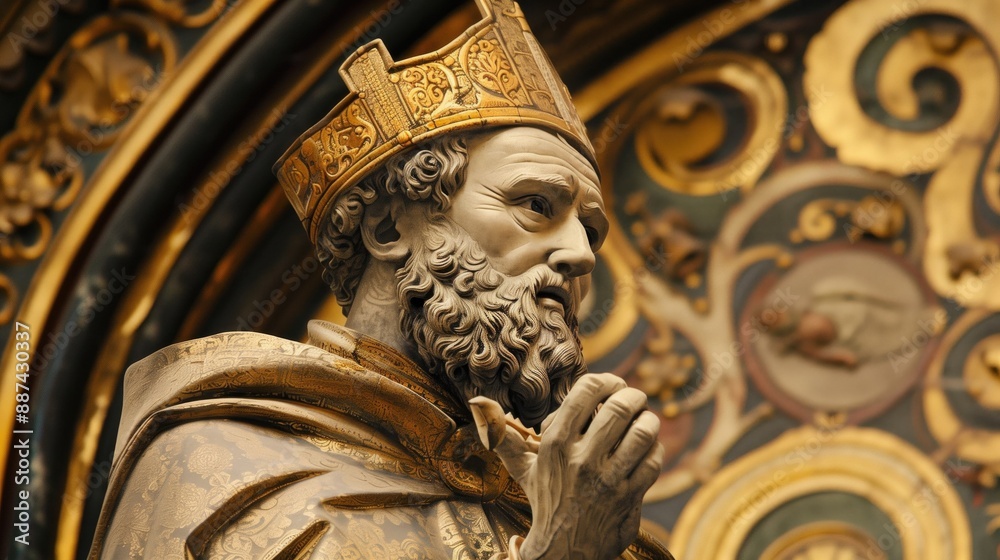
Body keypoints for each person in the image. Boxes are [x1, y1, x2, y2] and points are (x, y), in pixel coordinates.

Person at [89, 0, 671, 558]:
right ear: (391, 225)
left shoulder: (595, 521)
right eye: (536, 206)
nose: (580, 254)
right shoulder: (219, 464)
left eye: (591, 232)